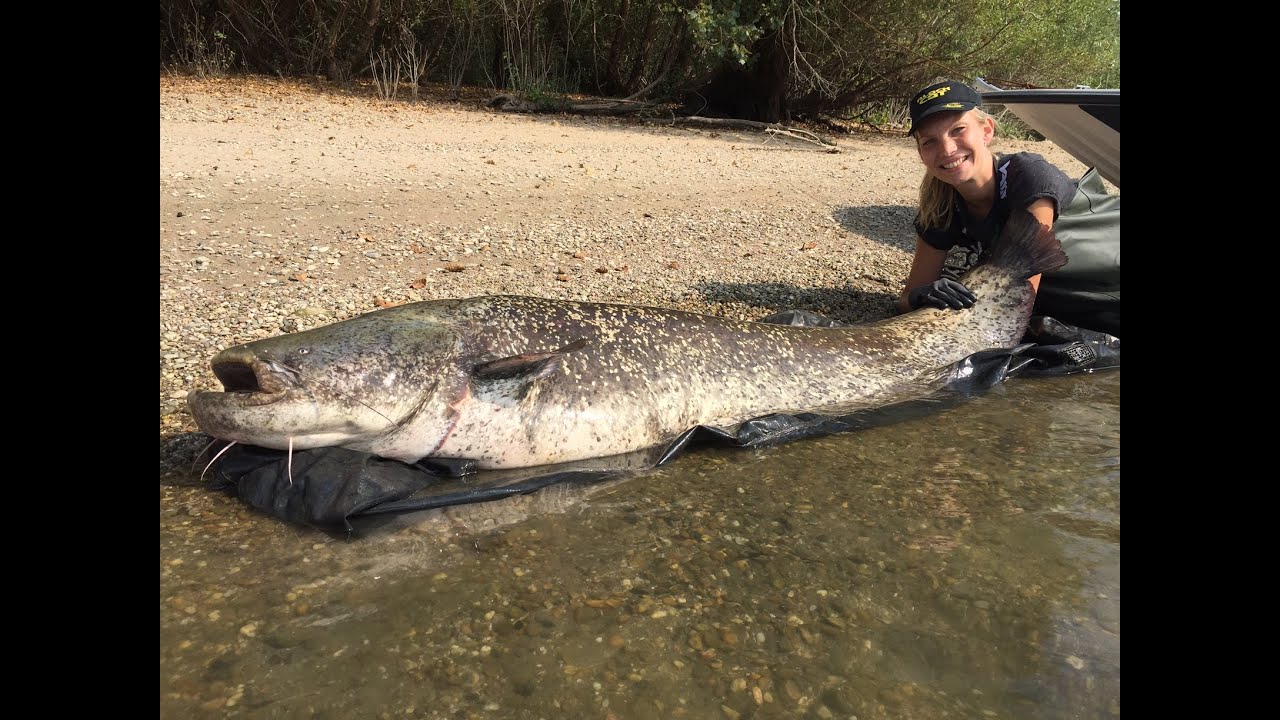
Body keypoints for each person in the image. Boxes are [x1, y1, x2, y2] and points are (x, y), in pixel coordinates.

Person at [898, 80, 1120, 337]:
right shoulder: (940, 206)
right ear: (920, 153)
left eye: (958, 130)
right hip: (1078, 300)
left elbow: (1023, 286)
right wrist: (921, 296)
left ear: (986, 131)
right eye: (929, 142)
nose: (947, 149)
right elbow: (907, 298)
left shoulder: (1028, 175)